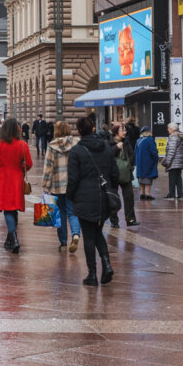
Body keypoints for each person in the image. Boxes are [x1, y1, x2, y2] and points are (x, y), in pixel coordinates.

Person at [67, 116, 120, 287]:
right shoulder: (106, 148)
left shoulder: (77, 151)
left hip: (84, 197)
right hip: (104, 197)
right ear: (92, 129)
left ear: (79, 131)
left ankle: (92, 274)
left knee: (89, 236)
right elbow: (115, 173)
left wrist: (70, 195)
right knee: (98, 232)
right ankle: (106, 264)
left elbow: (73, 178)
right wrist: (112, 190)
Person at [0, 118, 33, 253]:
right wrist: (21, 168)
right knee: (13, 208)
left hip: (3, 179)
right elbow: (29, 163)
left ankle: (13, 238)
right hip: (17, 178)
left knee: (7, 209)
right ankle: (10, 239)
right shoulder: (22, 145)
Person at [42, 121, 80, 253]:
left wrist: (45, 185)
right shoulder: (76, 143)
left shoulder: (52, 146)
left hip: (57, 185)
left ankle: (63, 243)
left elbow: (48, 168)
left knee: (60, 214)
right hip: (73, 184)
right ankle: (75, 234)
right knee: (73, 212)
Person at [109, 123, 139, 228]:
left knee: (129, 196)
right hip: (113, 173)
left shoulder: (126, 141)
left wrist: (128, 164)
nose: (125, 132)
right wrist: (116, 147)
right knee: (113, 197)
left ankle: (130, 219)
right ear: (116, 132)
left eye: (125, 130)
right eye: (122, 130)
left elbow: (131, 154)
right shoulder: (109, 142)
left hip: (126, 172)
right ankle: (114, 221)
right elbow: (107, 155)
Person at [159, 123, 183, 199]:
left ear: (172, 129)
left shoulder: (173, 137)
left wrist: (168, 162)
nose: (168, 130)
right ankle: (180, 194)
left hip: (174, 161)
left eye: (168, 128)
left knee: (172, 178)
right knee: (178, 177)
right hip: (179, 160)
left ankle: (171, 194)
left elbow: (171, 151)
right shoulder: (179, 136)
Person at [135, 127, 159, 201]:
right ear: (148, 132)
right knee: (148, 177)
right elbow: (153, 151)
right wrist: (156, 158)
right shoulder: (150, 140)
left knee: (141, 177)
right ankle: (148, 194)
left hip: (139, 162)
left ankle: (142, 193)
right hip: (148, 161)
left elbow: (135, 151)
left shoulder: (138, 140)